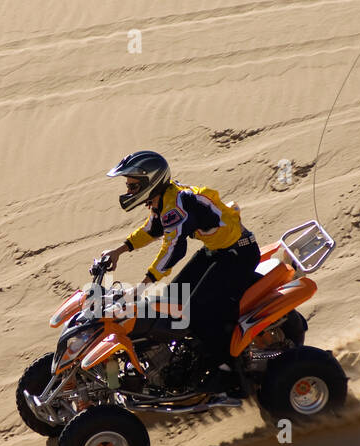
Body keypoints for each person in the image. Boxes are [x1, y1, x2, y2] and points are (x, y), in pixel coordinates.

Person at [98, 150, 261, 394]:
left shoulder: (176, 205)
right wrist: (119, 250)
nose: (128, 191)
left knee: (201, 312)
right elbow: (152, 230)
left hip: (238, 255)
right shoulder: (162, 200)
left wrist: (143, 285)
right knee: (174, 299)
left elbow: (173, 249)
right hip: (219, 250)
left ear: (149, 182)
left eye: (132, 185)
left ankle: (228, 371)